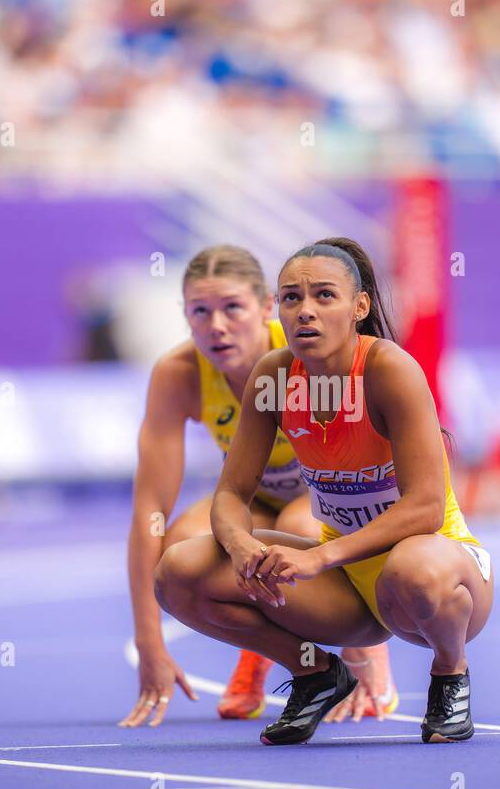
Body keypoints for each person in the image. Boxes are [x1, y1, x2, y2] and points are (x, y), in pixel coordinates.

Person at [154, 238, 493, 744]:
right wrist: (242, 546)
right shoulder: (273, 376)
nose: (305, 311)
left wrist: (321, 557)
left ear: (359, 307)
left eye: (323, 296)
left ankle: (450, 673)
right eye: (291, 298)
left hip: (437, 571)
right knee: (179, 571)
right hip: (347, 590)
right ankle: (315, 674)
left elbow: (423, 508)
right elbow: (231, 495)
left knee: (413, 568)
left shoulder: (390, 371)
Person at [122, 244, 397, 728]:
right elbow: (150, 511)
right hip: (252, 500)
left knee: (300, 526)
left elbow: (372, 469)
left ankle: (352, 661)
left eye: (232, 308)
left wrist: (366, 650)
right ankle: (288, 658)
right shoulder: (179, 375)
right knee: (183, 546)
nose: (217, 326)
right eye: (200, 312)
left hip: (326, 500)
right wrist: (150, 644)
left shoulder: (307, 348)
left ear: (266, 308)